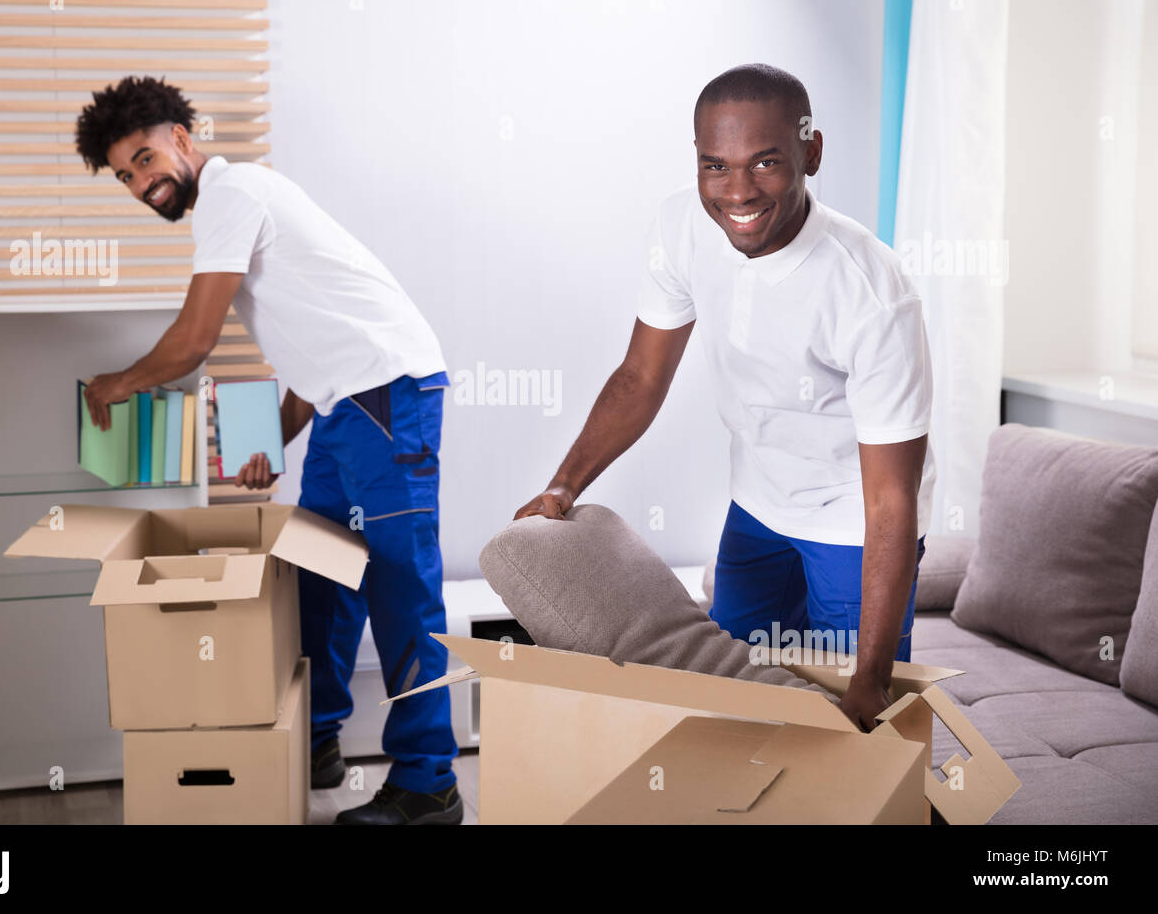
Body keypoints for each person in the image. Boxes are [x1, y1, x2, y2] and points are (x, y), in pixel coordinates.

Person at [75, 76, 461, 824]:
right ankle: (314, 737)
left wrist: (116, 385)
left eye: (145, 159)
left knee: (399, 587)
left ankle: (428, 784)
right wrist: (275, 441)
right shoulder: (233, 204)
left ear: (182, 140)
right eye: (125, 175)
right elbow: (312, 333)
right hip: (340, 403)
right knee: (318, 575)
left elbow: (193, 341)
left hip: (387, 394)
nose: (140, 183)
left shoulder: (231, 196)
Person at [514, 63, 936, 732]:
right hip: (759, 504)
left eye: (766, 163)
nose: (738, 190)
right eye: (717, 166)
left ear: (812, 152)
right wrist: (563, 487)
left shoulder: (871, 291)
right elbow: (639, 377)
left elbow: (890, 497)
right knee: (735, 706)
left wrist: (873, 678)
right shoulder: (681, 225)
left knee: (867, 729)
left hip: (854, 521)